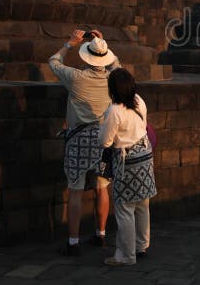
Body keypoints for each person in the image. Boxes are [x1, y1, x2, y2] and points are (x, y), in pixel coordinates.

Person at [49, 29, 120, 255]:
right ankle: (100, 234)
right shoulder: (112, 79)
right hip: (103, 138)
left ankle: (73, 241)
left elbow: (53, 61)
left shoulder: (75, 77)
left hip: (79, 138)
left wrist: (70, 43)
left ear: (85, 56)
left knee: (76, 191)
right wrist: (103, 42)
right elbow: (118, 66)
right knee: (102, 187)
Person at [99, 68, 157, 266]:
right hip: (145, 157)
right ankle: (142, 245)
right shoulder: (139, 101)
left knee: (125, 209)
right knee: (142, 204)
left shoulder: (114, 110)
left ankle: (126, 255)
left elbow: (105, 141)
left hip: (127, 162)